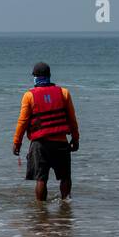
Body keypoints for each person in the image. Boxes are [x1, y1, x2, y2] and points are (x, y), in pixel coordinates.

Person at [12, 63, 80, 201]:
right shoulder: (64, 93)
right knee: (65, 177)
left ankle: (41, 211)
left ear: (36, 78)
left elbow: (23, 122)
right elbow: (72, 119)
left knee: (41, 179)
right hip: (60, 142)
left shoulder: (29, 95)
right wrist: (75, 138)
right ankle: (66, 205)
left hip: (40, 144)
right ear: (49, 76)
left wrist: (16, 142)